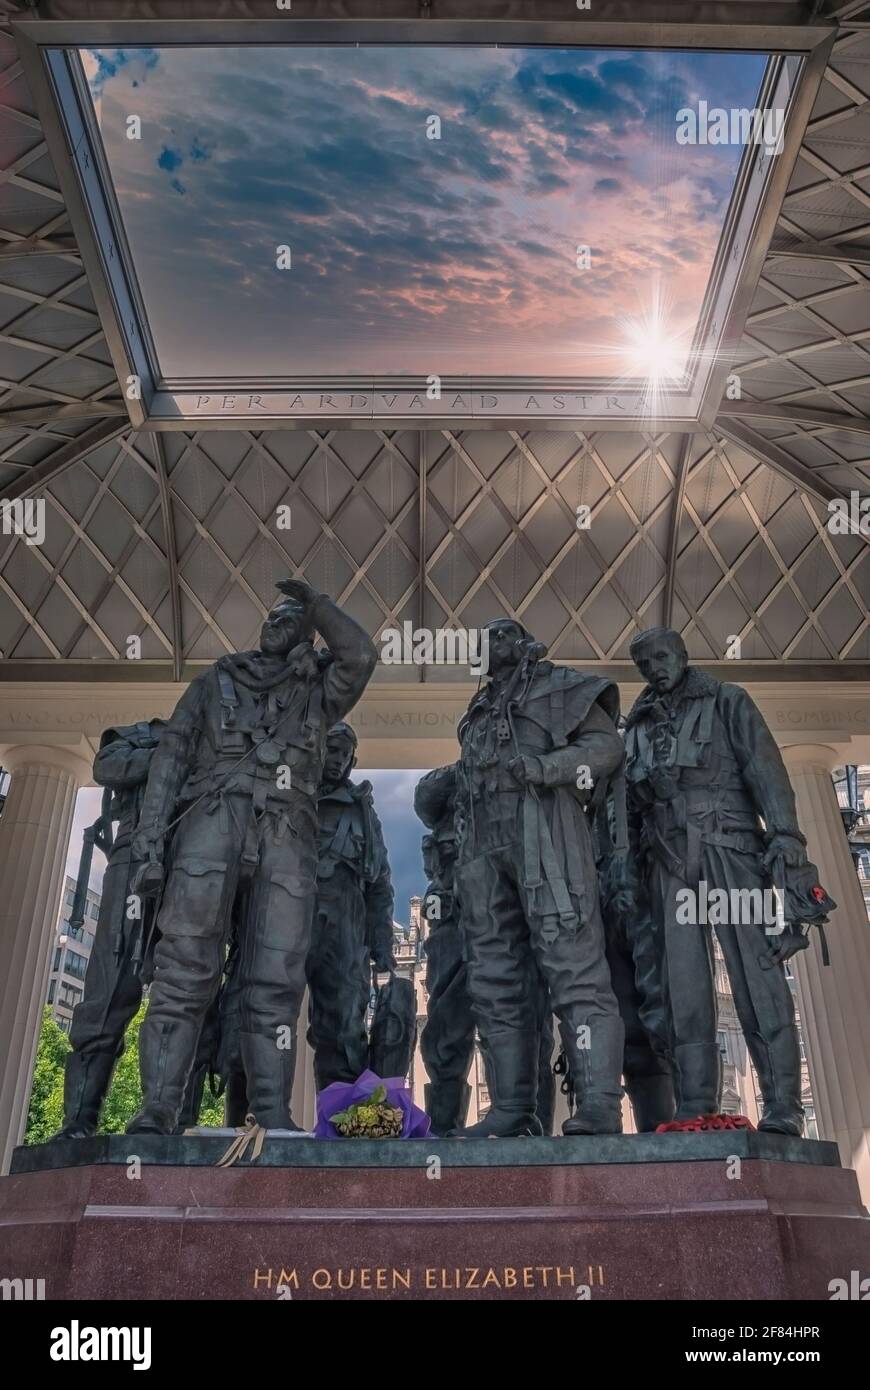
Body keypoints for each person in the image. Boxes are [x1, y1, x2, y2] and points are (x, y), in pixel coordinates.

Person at [126, 578, 378, 1134]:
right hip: (212, 821)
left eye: (290, 619)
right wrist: (148, 840)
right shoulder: (216, 681)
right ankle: (158, 1109)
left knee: (277, 979)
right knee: (183, 967)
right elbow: (171, 757)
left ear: (308, 637)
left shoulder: (319, 690)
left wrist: (319, 602)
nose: (274, 622)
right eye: (273, 615)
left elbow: (362, 654)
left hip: (287, 832)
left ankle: (271, 1113)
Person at [624, 626, 834, 1134]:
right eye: (645, 663)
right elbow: (628, 805)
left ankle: (783, 1105)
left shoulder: (727, 701)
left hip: (731, 852)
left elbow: (767, 773)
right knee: (684, 988)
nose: (655, 668)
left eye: (661, 656)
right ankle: (696, 1104)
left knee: (756, 976)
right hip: (668, 861)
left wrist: (786, 837)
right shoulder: (637, 725)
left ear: (681, 654)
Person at [454, 619, 625, 1137]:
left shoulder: (564, 686)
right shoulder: (478, 710)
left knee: (574, 967)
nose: (488, 644)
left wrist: (549, 768)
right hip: (484, 847)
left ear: (525, 642)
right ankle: (511, 1109)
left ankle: (599, 1104)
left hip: (546, 835)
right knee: (493, 978)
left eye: (500, 635)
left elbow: (607, 750)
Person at [414, 763, 556, 1135]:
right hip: (455, 926)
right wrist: (474, 767)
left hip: (511, 925)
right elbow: (425, 799)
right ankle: (444, 1127)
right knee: (446, 1026)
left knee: (529, 1025)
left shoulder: (514, 810)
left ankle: (528, 1123)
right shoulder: (445, 811)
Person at [53, 719, 166, 1138]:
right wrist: (174, 753)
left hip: (200, 872)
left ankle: (169, 1117)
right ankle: (79, 1121)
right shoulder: (143, 734)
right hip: (135, 863)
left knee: (191, 996)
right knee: (107, 992)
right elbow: (108, 767)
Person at [307, 721, 395, 1090]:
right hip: (286, 910)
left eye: (345, 753)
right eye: (331, 749)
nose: (338, 759)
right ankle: (257, 1115)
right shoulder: (290, 797)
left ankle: (340, 1114)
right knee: (262, 1010)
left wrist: (381, 943)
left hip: (345, 917)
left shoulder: (362, 812)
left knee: (344, 1018)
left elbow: (380, 883)